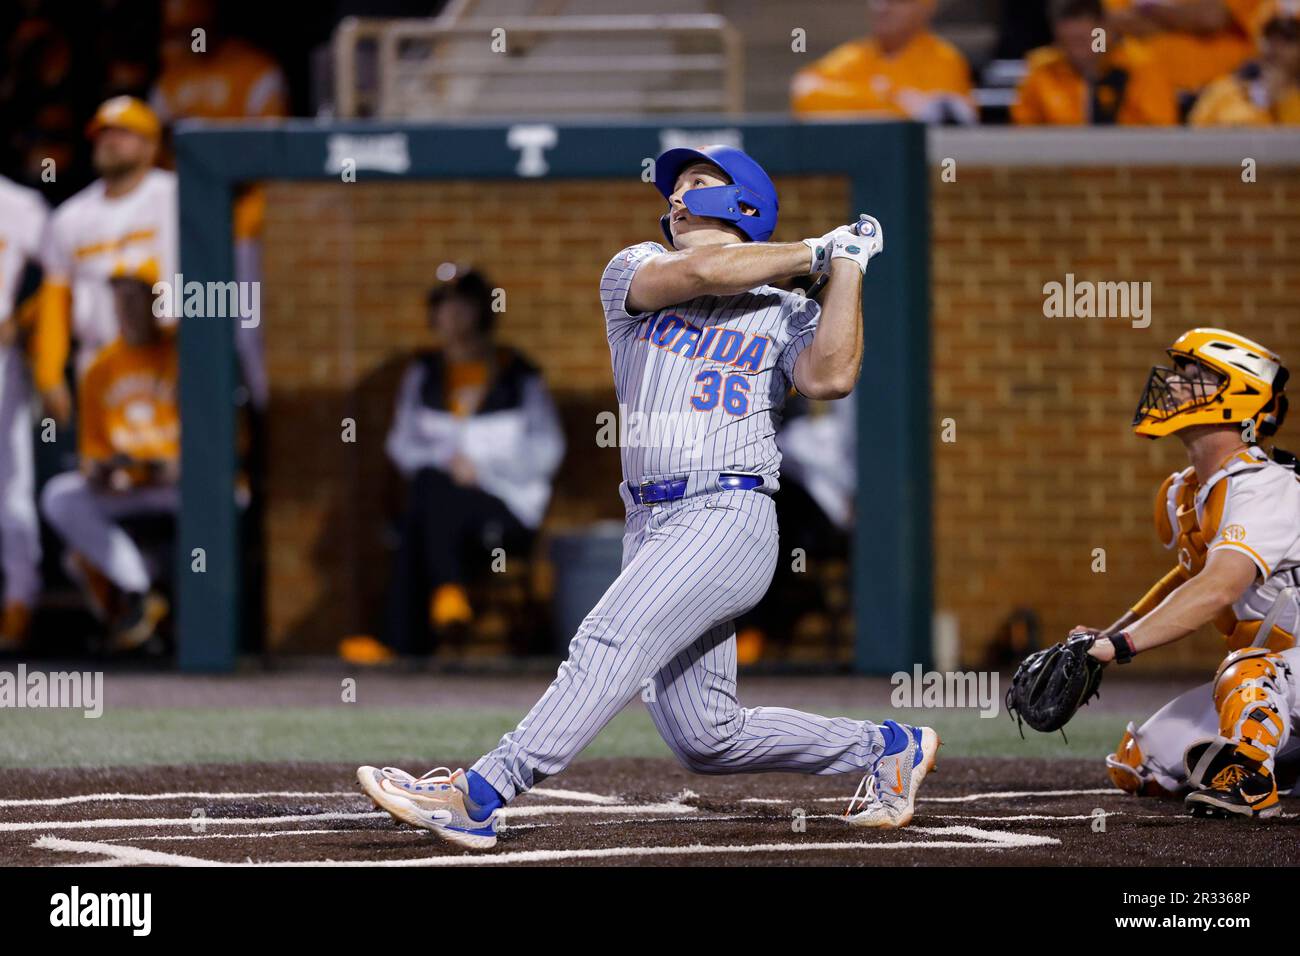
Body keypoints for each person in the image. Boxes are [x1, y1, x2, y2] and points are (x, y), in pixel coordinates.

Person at [356, 145, 940, 850]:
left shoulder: (785, 313)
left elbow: (831, 377)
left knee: (607, 641)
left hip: (730, 512)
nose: (677, 196)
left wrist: (846, 265)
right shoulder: (634, 269)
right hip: (651, 519)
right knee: (708, 736)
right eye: (676, 187)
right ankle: (887, 746)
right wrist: (815, 250)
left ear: (743, 203)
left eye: (697, 182)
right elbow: (703, 271)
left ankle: (479, 793)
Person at [1080, 329, 1299, 819]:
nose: (1176, 386)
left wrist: (1122, 647)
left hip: (1276, 672)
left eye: (1195, 377)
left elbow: (1219, 585)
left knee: (1250, 669)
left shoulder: (1265, 485)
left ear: (1237, 397)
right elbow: (1189, 577)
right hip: (1284, 680)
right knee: (1143, 764)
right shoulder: (1189, 491)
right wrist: (1107, 638)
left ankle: (1251, 787)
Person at [338, 267, 565, 664]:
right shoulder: (422, 373)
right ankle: (446, 596)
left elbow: (548, 448)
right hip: (441, 495)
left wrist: (482, 469)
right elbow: (402, 444)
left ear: (482, 312)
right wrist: (448, 461)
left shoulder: (518, 372)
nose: (453, 316)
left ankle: (404, 637)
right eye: (444, 307)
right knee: (430, 487)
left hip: (505, 503)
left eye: (463, 306)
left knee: (424, 508)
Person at [40, 267, 178, 652]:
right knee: (61, 496)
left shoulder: (184, 354)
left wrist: (174, 467)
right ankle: (141, 591)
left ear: (157, 302)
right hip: (132, 483)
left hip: (181, 486)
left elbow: (216, 447)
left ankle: (157, 603)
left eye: (137, 297)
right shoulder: (99, 368)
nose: (128, 308)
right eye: (121, 299)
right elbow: (94, 454)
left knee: (224, 496)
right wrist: (100, 470)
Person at [34, 96, 176, 426]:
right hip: (98, 362)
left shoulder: (176, 197)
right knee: (103, 469)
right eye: (103, 133)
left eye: (123, 133)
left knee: (168, 467)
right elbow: (55, 300)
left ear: (151, 145)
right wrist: (49, 372)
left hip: (164, 358)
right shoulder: (69, 216)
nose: (110, 141)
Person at [0, 175, 48, 652]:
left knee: (10, 485)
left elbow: (61, 270)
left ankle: (19, 598)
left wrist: (26, 315)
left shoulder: (16, 202)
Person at [790, 0, 975, 123]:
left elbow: (940, 118)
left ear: (925, 7)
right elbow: (805, 93)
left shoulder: (944, 59)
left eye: (896, 1)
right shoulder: (855, 55)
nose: (882, 7)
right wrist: (886, 98)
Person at [1013, 0, 1178, 125]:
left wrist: (1099, 70)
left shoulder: (1140, 67)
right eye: (1068, 42)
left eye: (1082, 41)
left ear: (1103, 30)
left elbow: (1159, 131)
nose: (1076, 52)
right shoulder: (1043, 69)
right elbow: (1025, 131)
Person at [1105, 0, 1270, 101]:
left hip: (1218, 98)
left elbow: (1210, 18)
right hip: (1143, 98)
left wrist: (1148, 9)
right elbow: (1109, 20)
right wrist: (1183, 20)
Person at [1190, 8, 1300, 124]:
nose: (1276, 47)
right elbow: (1196, 131)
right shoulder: (1226, 89)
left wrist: (1283, 99)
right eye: (1270, 38)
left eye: (1288, 39)